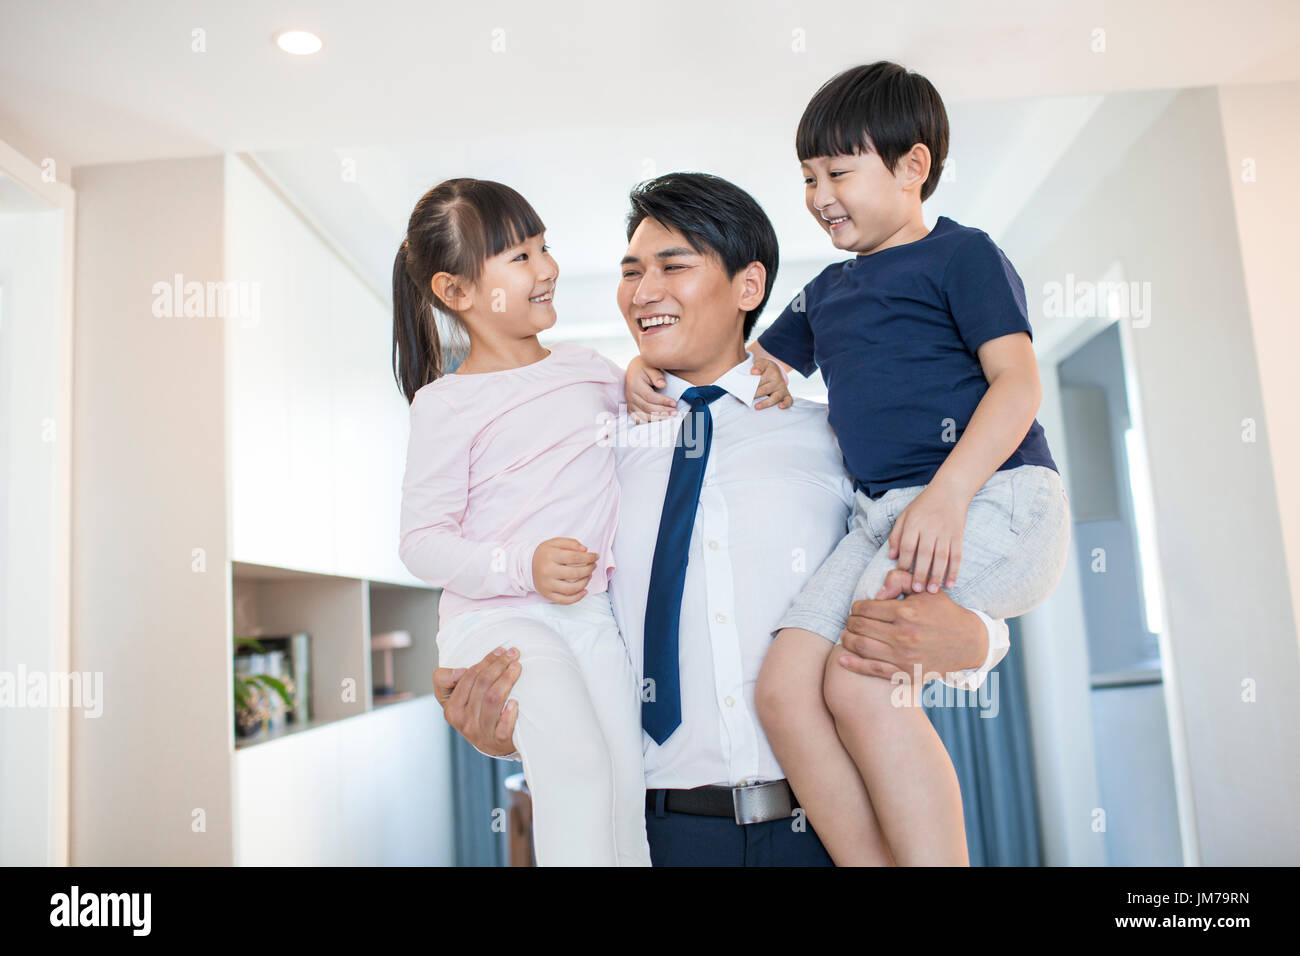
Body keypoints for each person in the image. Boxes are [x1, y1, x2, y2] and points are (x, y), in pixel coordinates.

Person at [435, 172, 1012, 866]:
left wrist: (978, 642)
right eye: (631, 272)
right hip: (659, 835)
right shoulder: (588, 449)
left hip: (828, 827)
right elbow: (533, 607)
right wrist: (502, 718)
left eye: (673, 266)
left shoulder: (838, 437)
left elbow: (943, 557)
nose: (643, 291)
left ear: (748, 286)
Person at [734, 62, 1071, 866]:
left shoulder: (962, 256)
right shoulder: (825, 292)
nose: (818, 195)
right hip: (883, 514)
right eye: (808, 176)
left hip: (992, 497)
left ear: (911, 167)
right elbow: (751, 371)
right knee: (785, 690)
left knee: (857, 683)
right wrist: (649, 375)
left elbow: (1019, 384)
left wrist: (950, 495)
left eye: (837, 172)